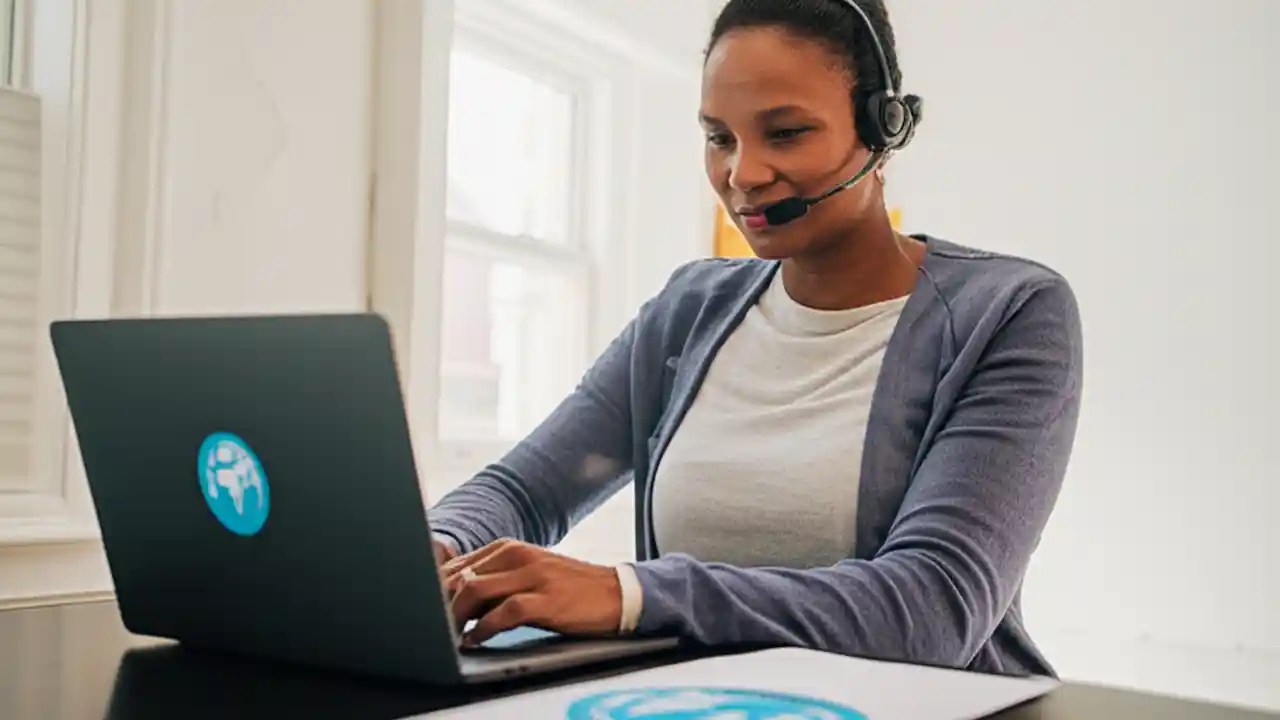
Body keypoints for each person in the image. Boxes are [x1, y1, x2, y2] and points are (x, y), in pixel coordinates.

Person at [429, 0, 1082, 677]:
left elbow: (932, 609)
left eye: (787, 133)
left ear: (882, 128)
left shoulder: (1007, 314)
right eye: (719, 137)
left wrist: (630, 594)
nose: (743, 175)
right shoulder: (687, 313)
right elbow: (525, 491)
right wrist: (438, 548)